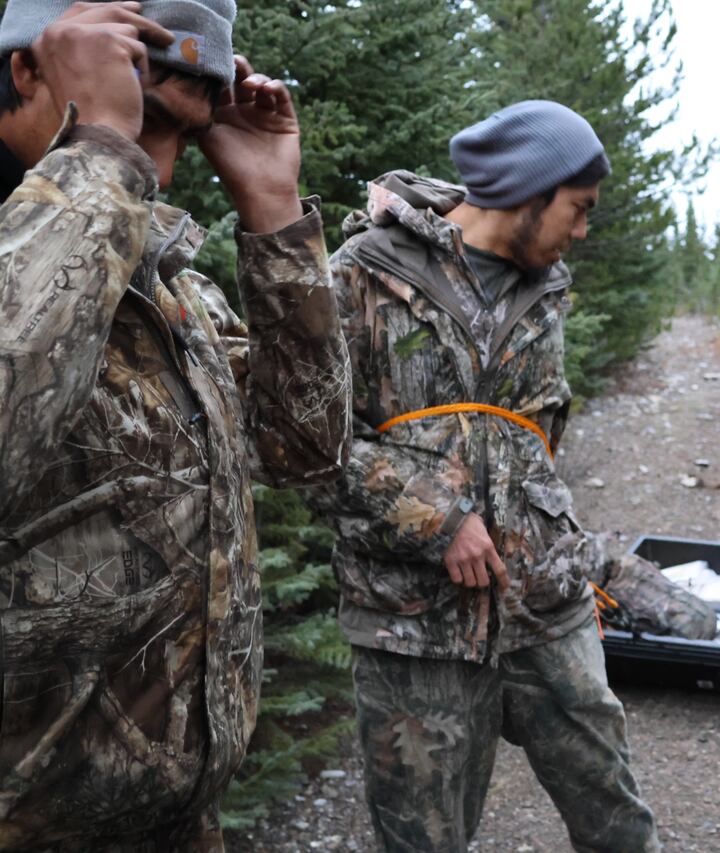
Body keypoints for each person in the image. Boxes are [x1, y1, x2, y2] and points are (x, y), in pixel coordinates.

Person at [0, 1, 351, 849]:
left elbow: (305, 447)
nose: (152, 168)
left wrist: (273, 207)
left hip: (177, 820)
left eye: (178, 139)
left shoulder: (174, 295)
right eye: (134, 118)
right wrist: (101, 158)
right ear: (27, 71)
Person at [313, 100, 659, 852]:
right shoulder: (362, 276)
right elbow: (303, 443)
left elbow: (535, 441)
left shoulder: (544, 287)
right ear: (529, 192)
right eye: (578, 209)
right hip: (415, 629)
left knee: (618, 816)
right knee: (424, 838)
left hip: (544, 605)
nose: (583, 230)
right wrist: (438, 518)